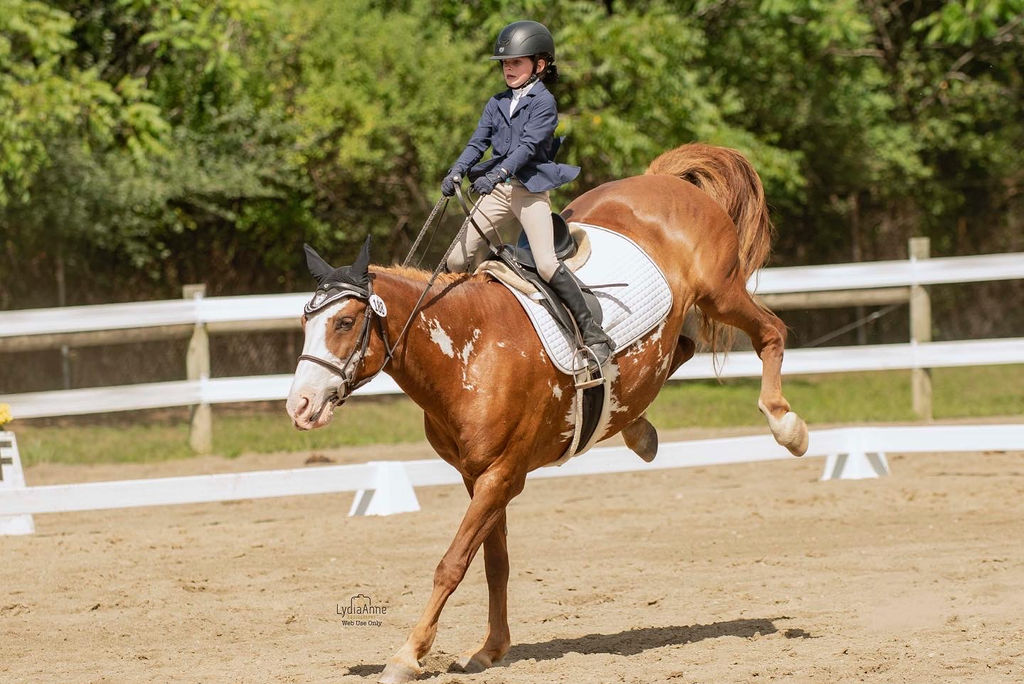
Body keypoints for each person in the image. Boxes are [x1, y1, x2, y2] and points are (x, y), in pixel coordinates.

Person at [441, 20, 615, 367]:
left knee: (547, 264)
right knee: (457, 259)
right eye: (505, 63)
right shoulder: (496, 102)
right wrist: (457, 170)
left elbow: (528, 147)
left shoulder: (544, 102)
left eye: (516, 62)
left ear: (539, 65)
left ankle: (592, 333)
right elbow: (478, 143)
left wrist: (499, 173)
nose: (508, 69)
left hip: (528, 191)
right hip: (498, 192)